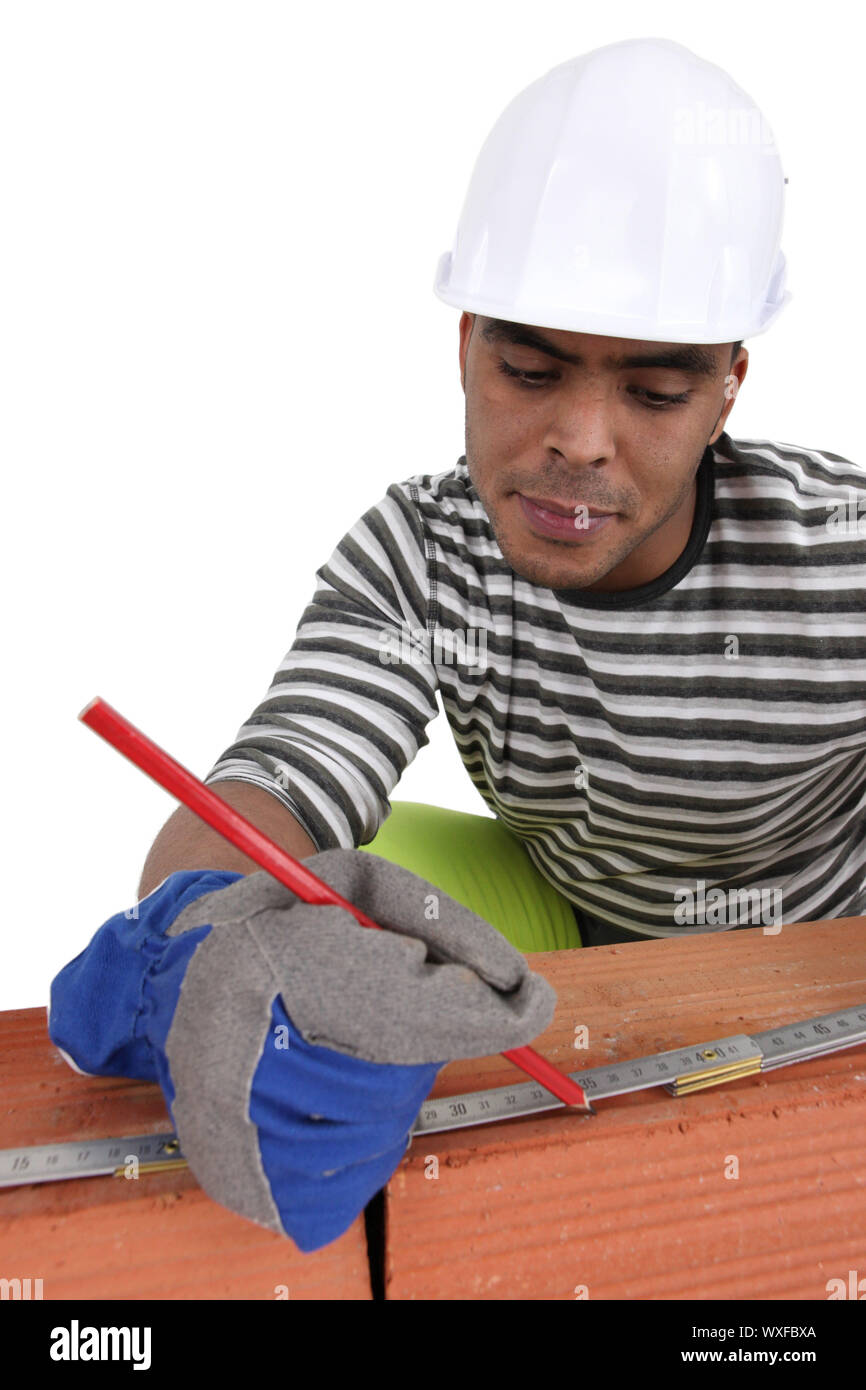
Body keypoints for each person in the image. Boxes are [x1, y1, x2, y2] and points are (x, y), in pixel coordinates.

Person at [48, 38, 866, 1254]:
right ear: (466, 340)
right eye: (530, 368)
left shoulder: (840, 556)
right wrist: (204, 932)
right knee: (303, 879)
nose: (579, 441)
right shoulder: (419, 552)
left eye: (653, 393)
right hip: (561, 912)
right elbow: (273, 779)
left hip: (810, 942)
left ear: (730, 386)